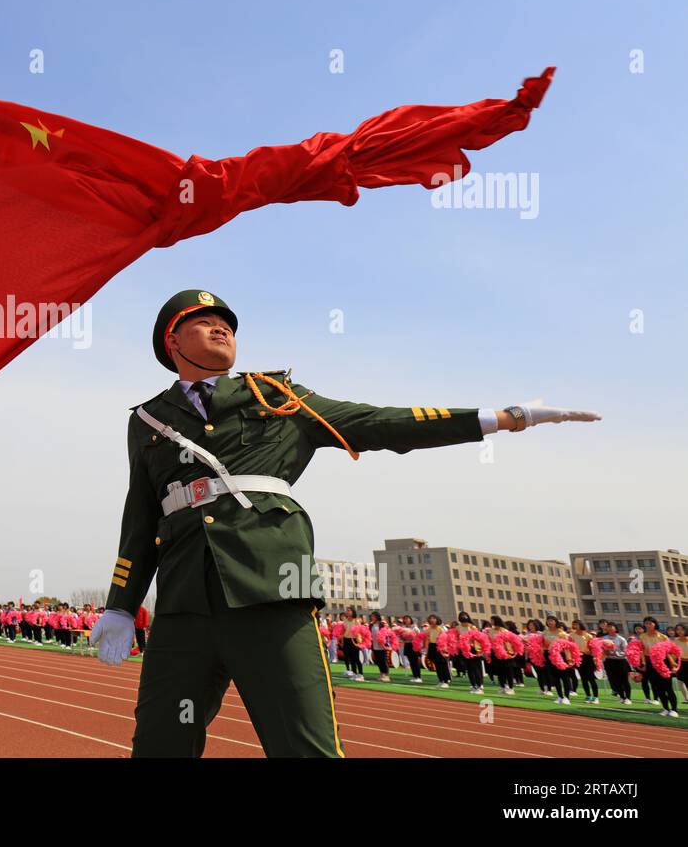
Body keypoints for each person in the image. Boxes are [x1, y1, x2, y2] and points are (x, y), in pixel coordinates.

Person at [87, 289, 600, 757]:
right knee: (159, 743)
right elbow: (140, 519)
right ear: (172, 339)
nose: (222, 328)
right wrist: (120, 605)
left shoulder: (278, 396)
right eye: (202, 321)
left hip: (272, 595)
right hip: (183, 606)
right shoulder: (150, 419)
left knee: (304, 745)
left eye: (227, 323)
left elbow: (380, 421)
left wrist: (501, 417)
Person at [598, 620, 632, 705]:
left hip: (620, 661)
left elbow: (626, 651)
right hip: (609, 661)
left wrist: (616, 653)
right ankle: (621, 697)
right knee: (615, 680)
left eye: (611, 626)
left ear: (615, 628)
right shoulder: (604, 638)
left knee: (624, 680)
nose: (609, 628)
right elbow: (600, 649)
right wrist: (604, 653)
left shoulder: (621, 639)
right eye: (608, 626)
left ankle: (628, 698)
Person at [570, 620, 600, 704]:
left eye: (576, 624)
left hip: (588, 658)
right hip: (578, 658)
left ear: (581, 625)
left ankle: (595, 697)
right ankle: (588, 695)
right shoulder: (571, 635)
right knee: (583, 679)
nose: (575, 626)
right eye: (574, 624)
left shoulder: (588, 636)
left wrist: (591, 653)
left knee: (591, 678)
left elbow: (594, 648)